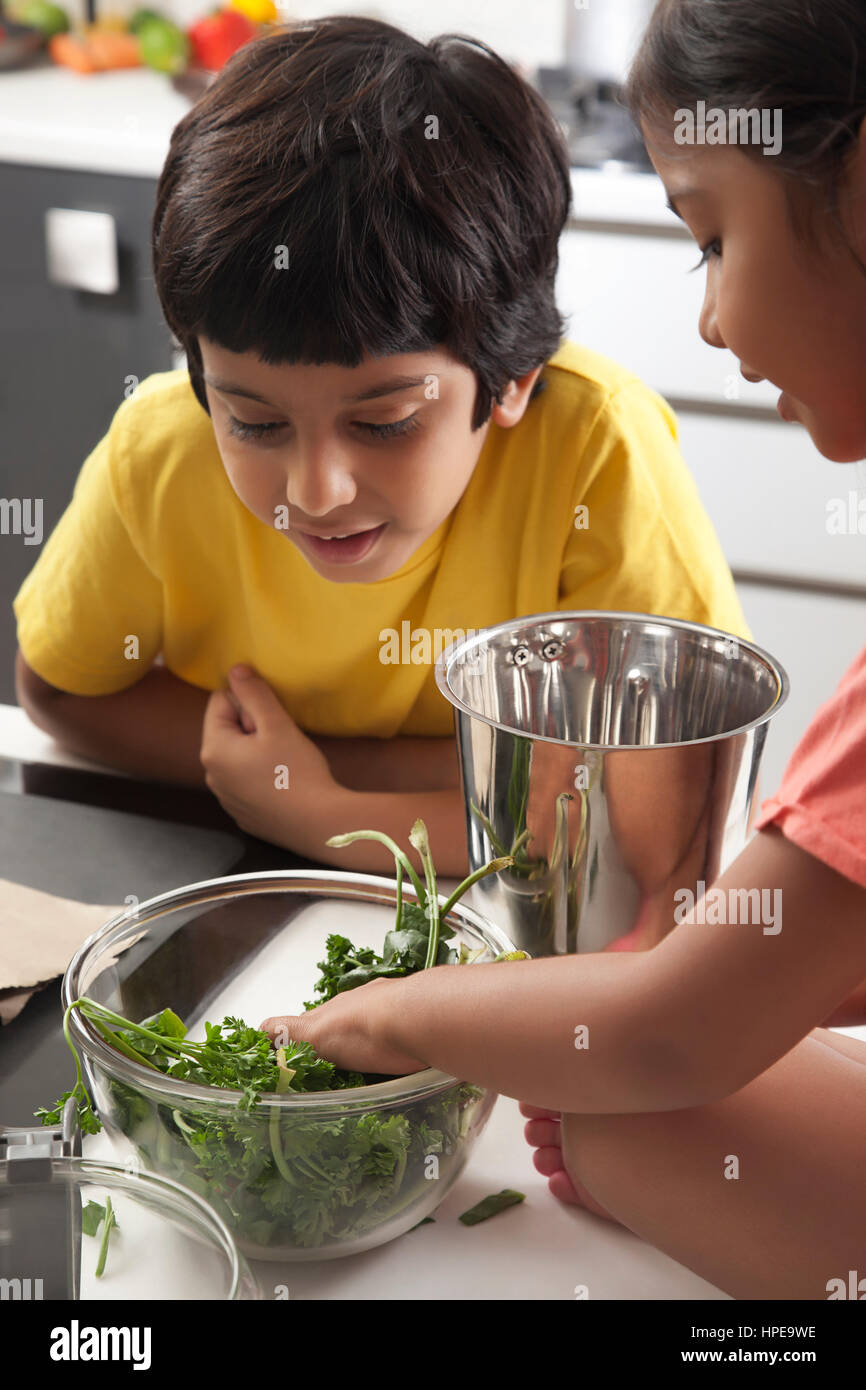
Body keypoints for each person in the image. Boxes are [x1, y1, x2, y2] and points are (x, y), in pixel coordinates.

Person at [262, 0, 866, 1300]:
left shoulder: (606, 440)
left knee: (608, 1115)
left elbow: (662, 1036)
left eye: (711, 234)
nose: (705, 318)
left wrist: (377, 1016)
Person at [12, 16, 749, 879]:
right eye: (253, 422)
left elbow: (665, 810)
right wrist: (443, 781)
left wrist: (323, 810)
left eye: (384, 423)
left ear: (510, 377)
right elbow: (60, 689)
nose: (315, 491)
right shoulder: (164, 445)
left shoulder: (597, 449)